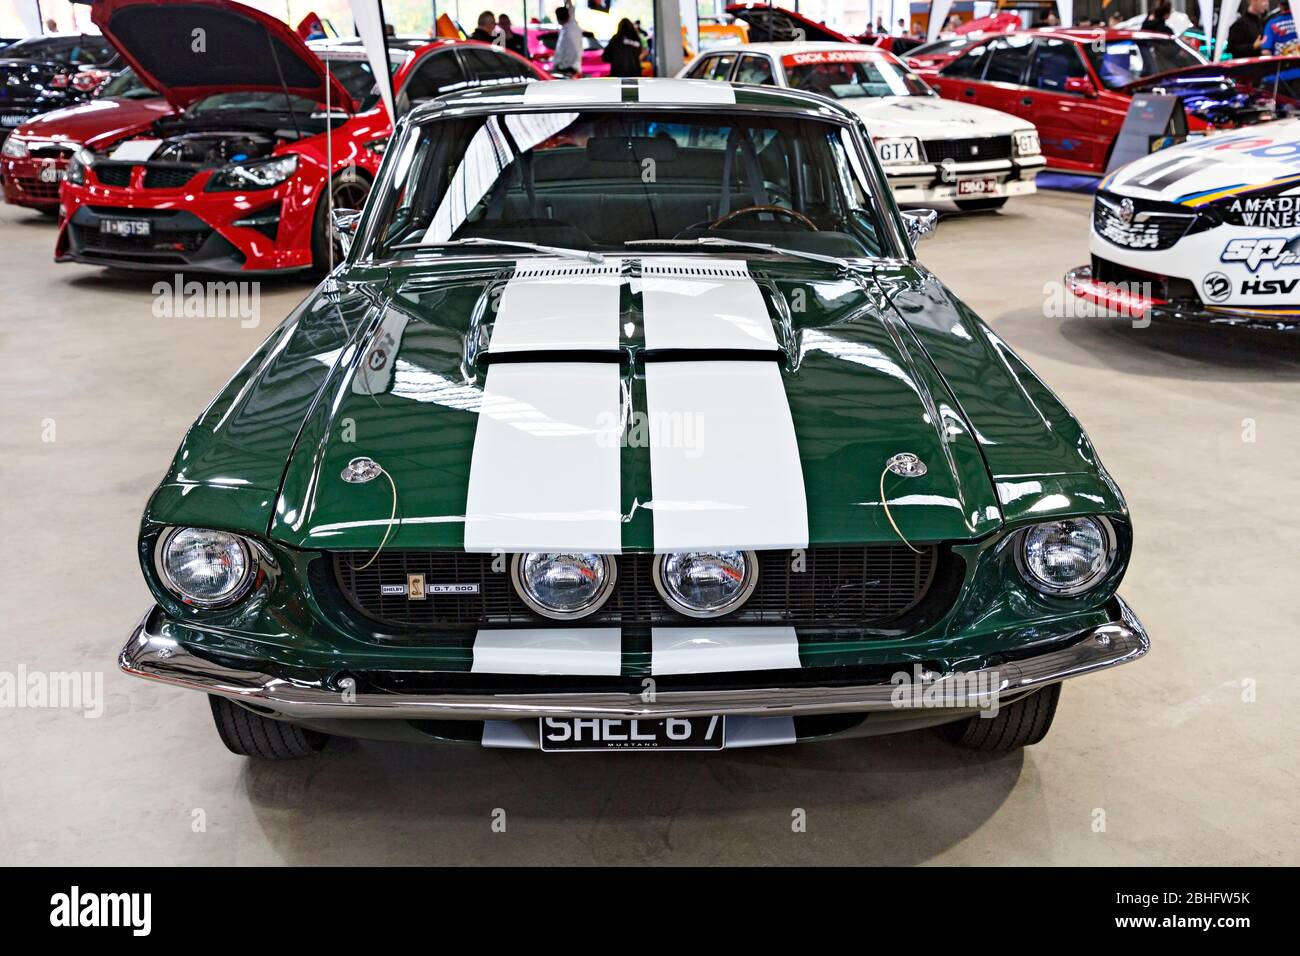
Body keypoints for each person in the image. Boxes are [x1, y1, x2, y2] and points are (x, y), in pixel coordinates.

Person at [552, 2, 584, 76]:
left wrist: (560, 66)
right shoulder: (573, 25)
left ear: (558, 18)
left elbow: (570, 52)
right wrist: (567, 2)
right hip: (572, 67)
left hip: (567, 70)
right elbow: (571, 9)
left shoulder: (567, 33)